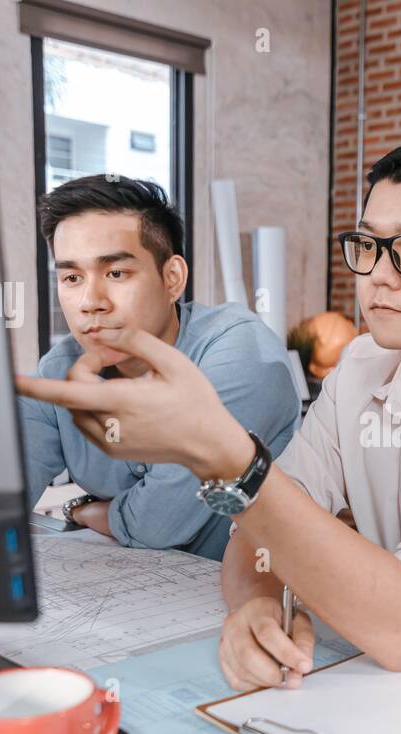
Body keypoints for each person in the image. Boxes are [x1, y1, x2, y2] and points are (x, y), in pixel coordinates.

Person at [17, 136, 401, 687]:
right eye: (368, 245)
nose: (377, 278)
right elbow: (261, 525)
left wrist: (227, 455)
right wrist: (256, 604)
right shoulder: (364, 365)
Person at [21, 174, 300, 559]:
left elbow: (158, 523)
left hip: (258, 603)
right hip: (136, 606)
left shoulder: (240, 351)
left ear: (172, 279)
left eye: (116, 273)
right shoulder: (60, 368)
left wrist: (86, 510)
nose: (90, 302)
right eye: (71, 277)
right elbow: (0, 498)